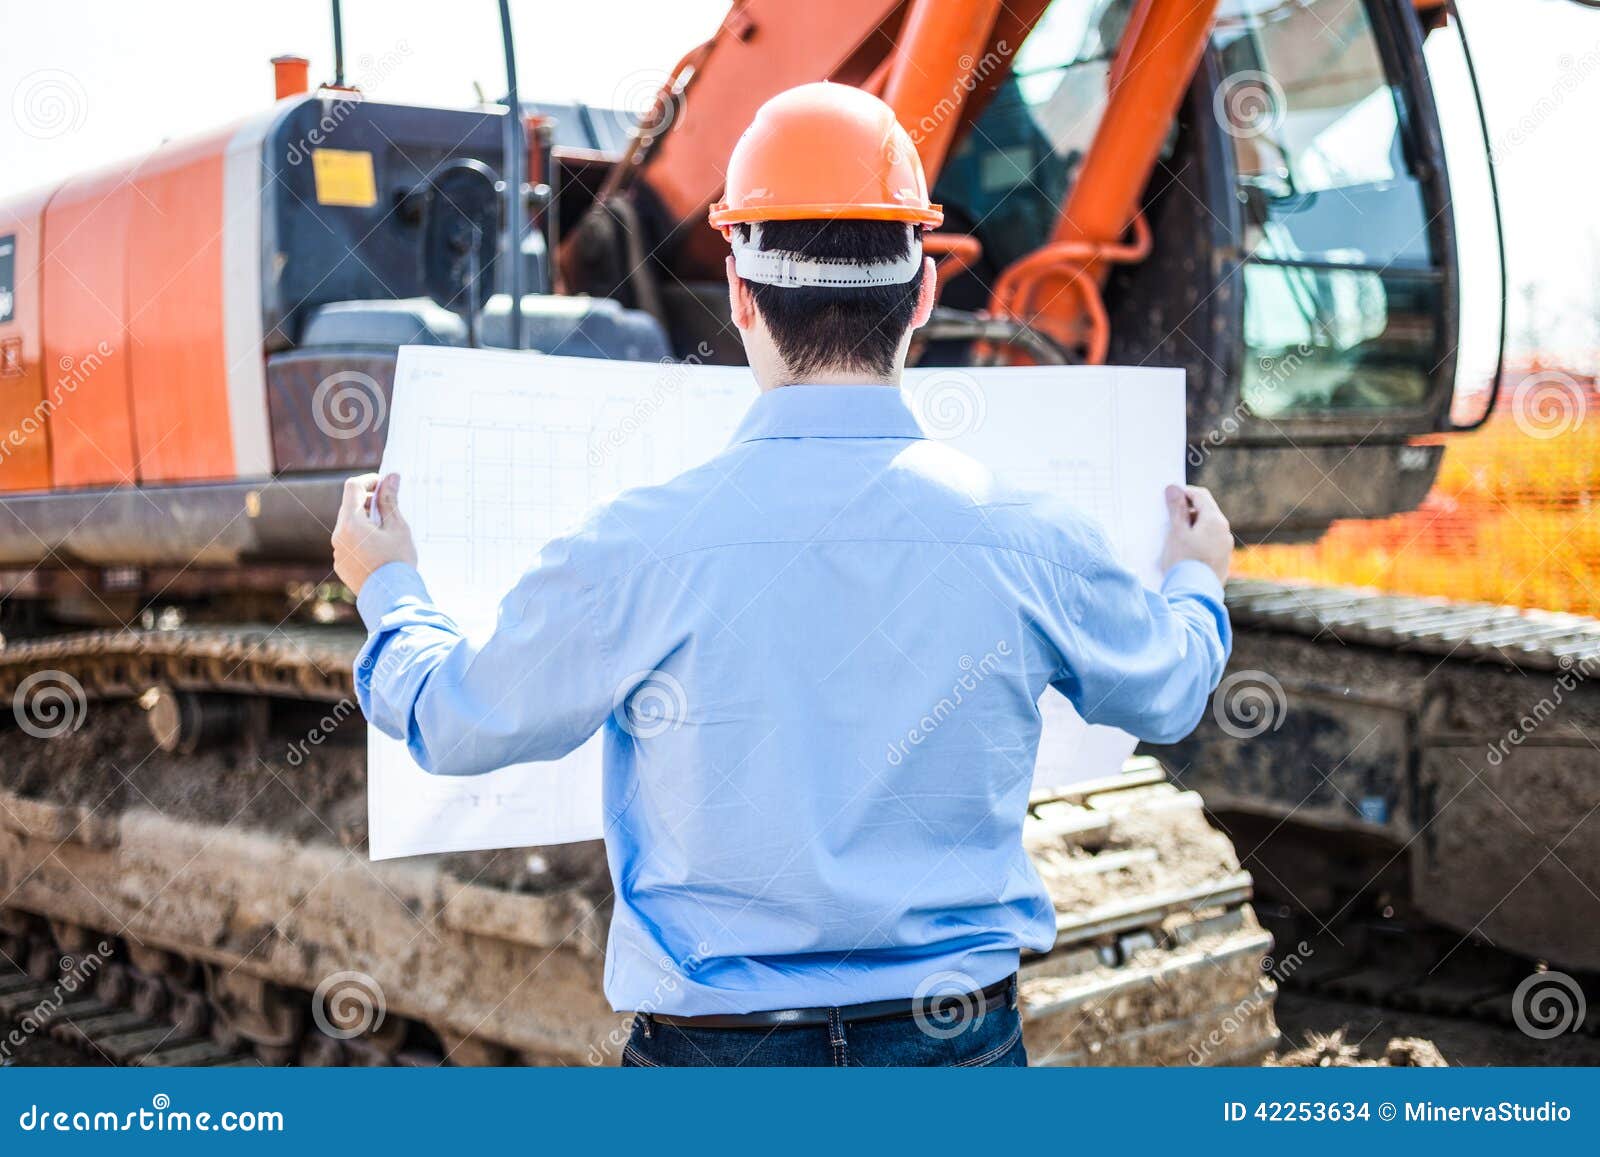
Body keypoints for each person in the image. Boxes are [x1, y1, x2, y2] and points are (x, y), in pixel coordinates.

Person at [334, 82, 1233, 1067]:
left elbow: (455, 721)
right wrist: (1193, 577)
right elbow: (1173, 689)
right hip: (958, 1047)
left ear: (740, 291)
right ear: (925, 290)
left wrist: (390, 587)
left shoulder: (639, 546)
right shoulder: (1032, 539)